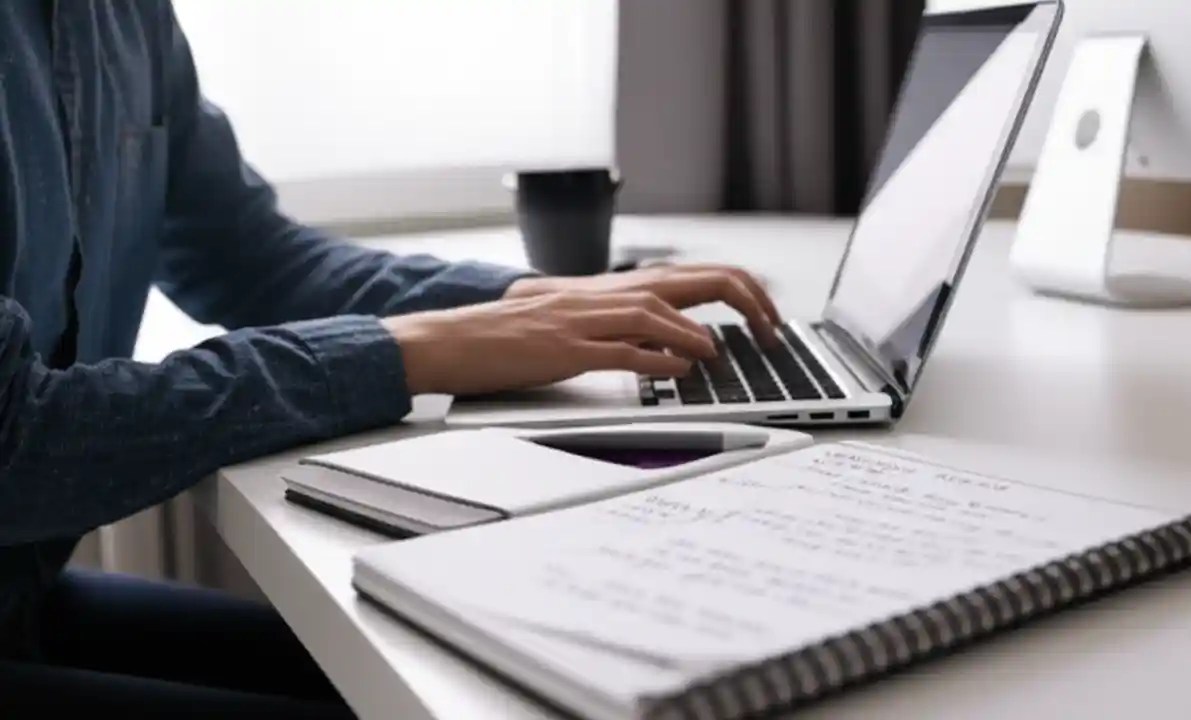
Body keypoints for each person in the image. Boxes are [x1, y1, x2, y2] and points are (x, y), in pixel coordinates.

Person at [0, 2, 782, 717]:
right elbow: (16, 442)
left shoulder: (126, 16)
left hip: (24, 599)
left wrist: (533, 301)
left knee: (475, 691)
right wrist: (406, 351)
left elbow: (253, 259)